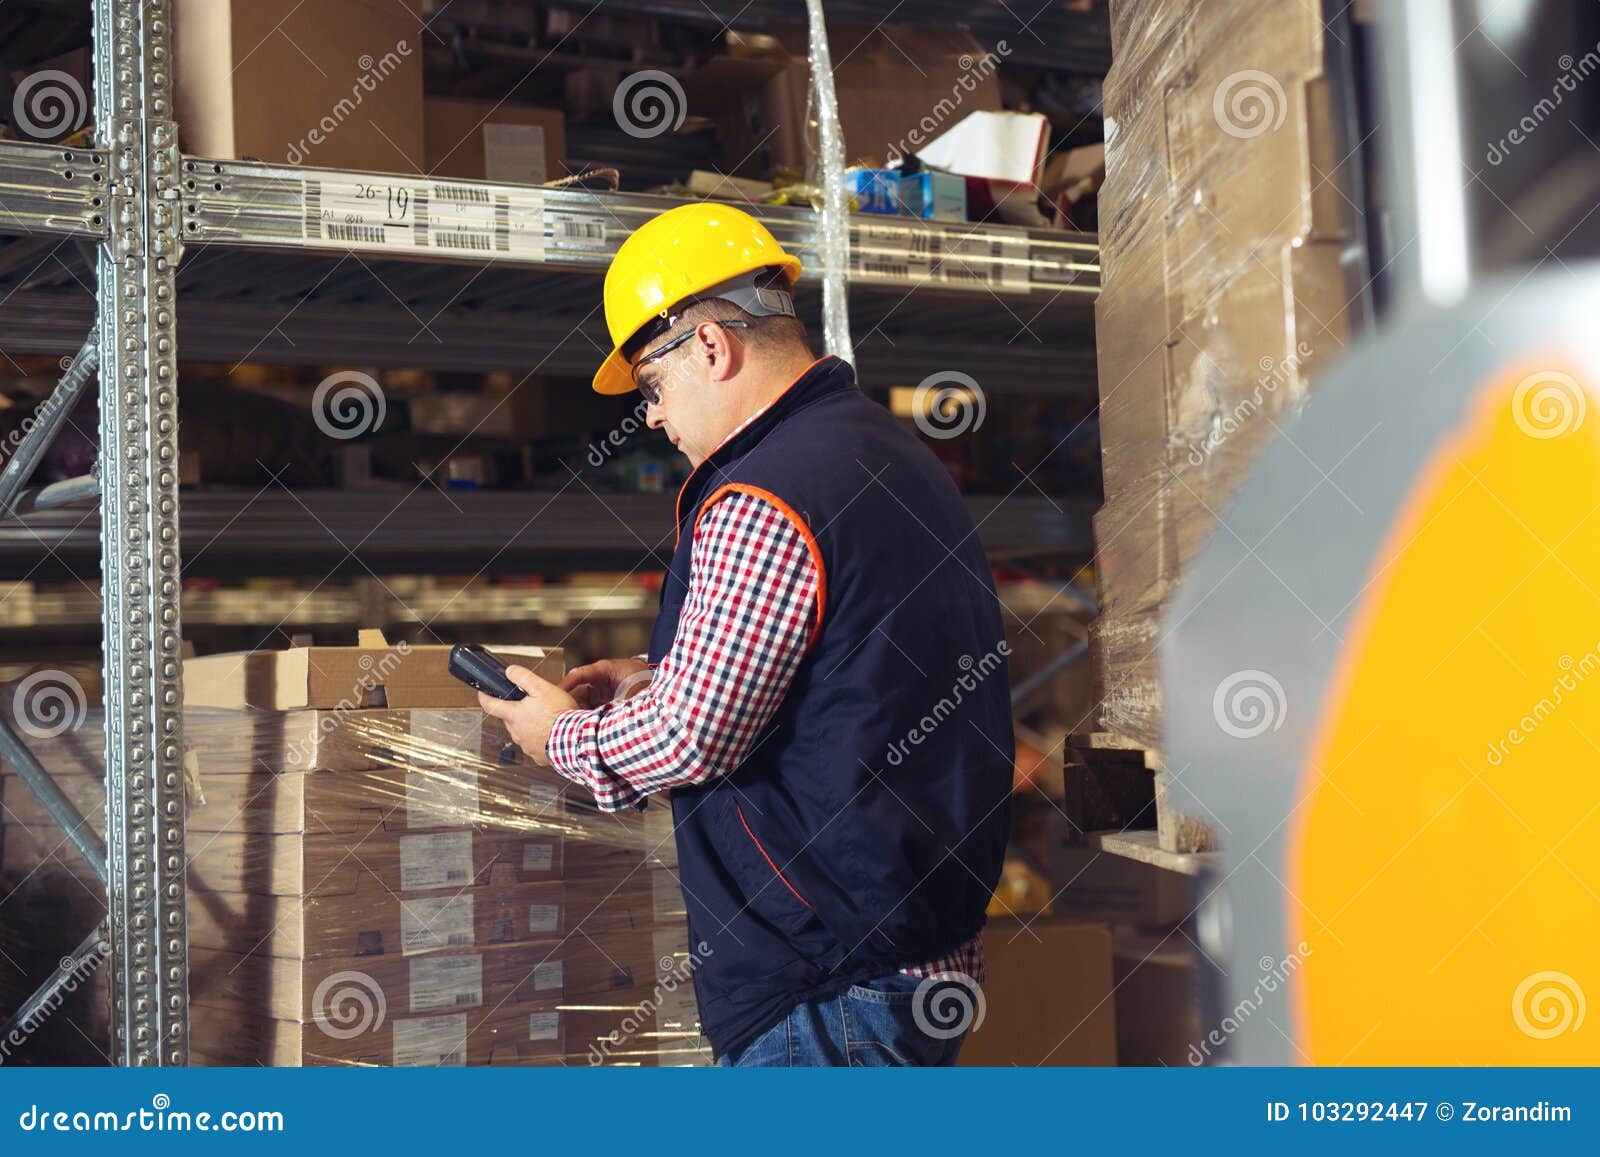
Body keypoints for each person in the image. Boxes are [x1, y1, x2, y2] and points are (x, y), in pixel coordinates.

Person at [479, 202, 1014, 1067]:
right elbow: (846, 663)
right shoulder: (888, 451)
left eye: (650, 386)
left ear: (711, 348)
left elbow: (695, 735)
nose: (651, 417)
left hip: (829, 981)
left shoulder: (763, 494)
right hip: (915, 953)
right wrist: (659, 672)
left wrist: (560, 737)